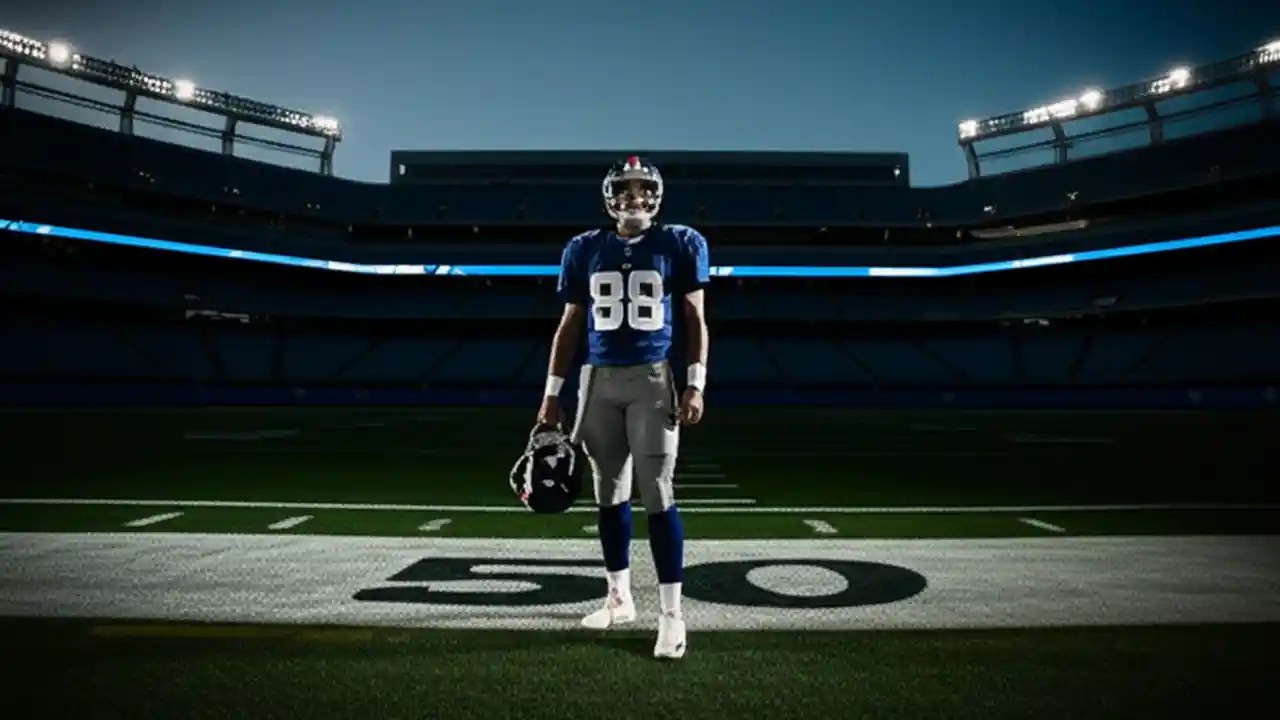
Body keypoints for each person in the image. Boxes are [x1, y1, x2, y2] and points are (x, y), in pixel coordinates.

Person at [537, 155, 709, 660]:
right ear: (610, 196)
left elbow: (695, 317)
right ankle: (618, 599)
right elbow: (570, 326)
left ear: (655, 195)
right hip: (597, 381)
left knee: (657, 491)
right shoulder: (584, 248)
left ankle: (673, 615)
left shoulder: (680, 242)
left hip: (652, 379)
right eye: (624, 190)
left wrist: (695, 383)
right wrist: (551, 394)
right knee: (607, 493)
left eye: (642, 189)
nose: (634, 198)